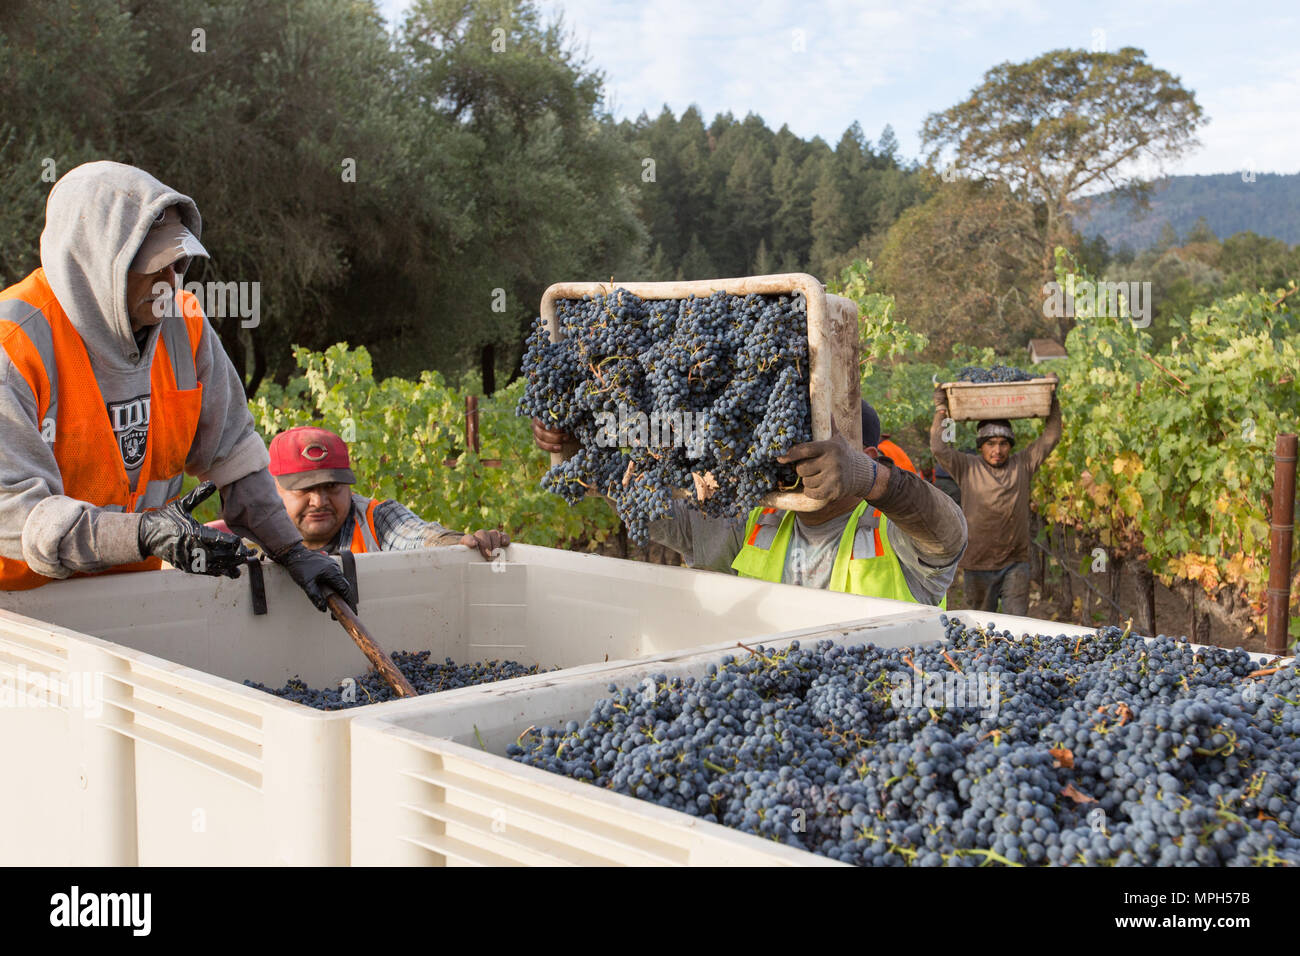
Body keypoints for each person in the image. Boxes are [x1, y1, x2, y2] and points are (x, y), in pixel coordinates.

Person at [0, 161, 353, 612]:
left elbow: (234, 456)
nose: (169, 283)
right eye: (151, 267)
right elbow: (17, 514)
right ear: (92, 264)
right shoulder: (15, 345)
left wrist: (291, 550)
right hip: (20, 609)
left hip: (131, 598)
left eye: (176, 264)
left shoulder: (183, 326)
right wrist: (143, 533)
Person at [532, 399, 966, 607]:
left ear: (864, 455)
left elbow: (949, 535)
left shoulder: (892, 533)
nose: (795, 456)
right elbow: (658, 514)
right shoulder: (757, 520)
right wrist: (584, 453)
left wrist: (871, 480)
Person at [211, 425, 510, 559]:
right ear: (275, 489)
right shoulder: (249, 536)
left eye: (332, 487)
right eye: (304, 489)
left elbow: (418, 536)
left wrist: (459, 543)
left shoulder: (376, 520)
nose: (319, 501)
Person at [930, 377, 1061, 616]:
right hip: (978, 563)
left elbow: (1050, 437)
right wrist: (941, 409)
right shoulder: (966, 467)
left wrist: (1052, 401)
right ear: (981, 446)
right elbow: (939, 448)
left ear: (1010, 445)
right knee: (982, 625)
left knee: (1018, 625)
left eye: (1003, 444)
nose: (997, 450)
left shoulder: (1023, 464)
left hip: (1015, 562)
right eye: (990, 443)